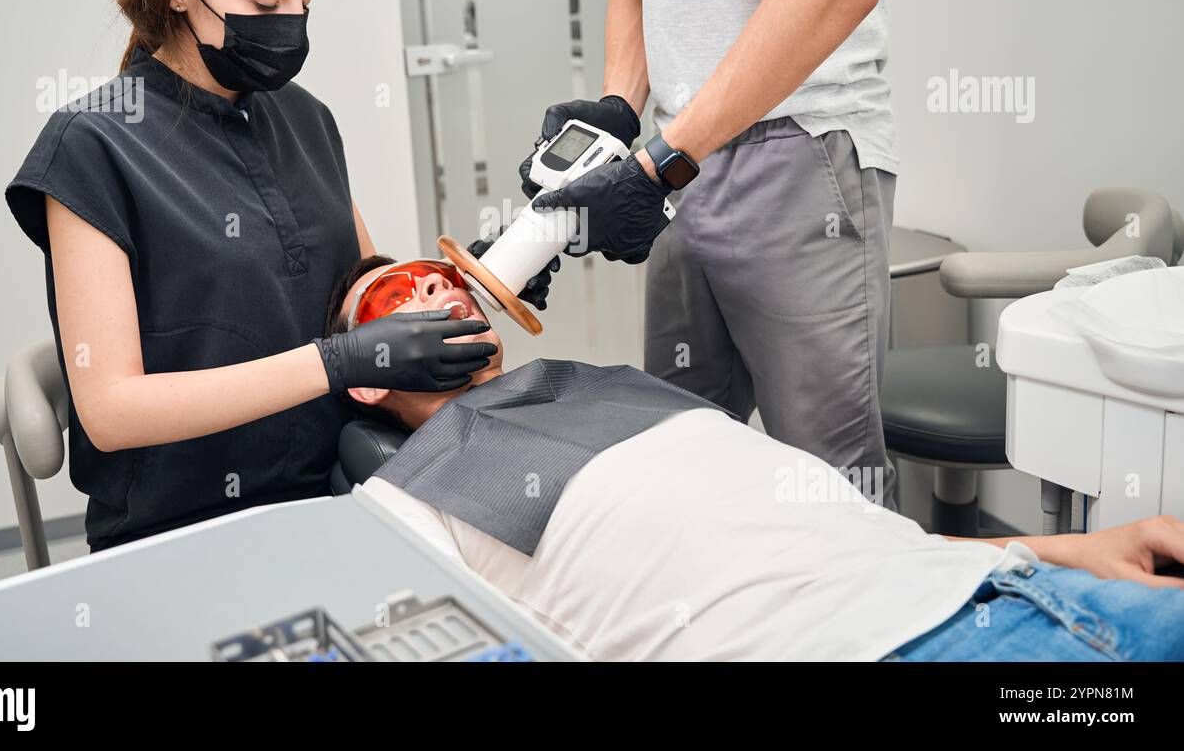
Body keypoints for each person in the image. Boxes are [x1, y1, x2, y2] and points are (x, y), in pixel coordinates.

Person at [4, 0, 552, 552]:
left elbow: (360, 296)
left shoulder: (306, 119)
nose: (291, 22)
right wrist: (338, 362)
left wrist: (477, 278)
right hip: (187, 525)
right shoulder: (93, 146)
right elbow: (111, 411)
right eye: (267, 2)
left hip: (352, 482)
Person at [324, 254, 1184, 662]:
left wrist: (1071, 549)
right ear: (365, 380)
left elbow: (841, 538)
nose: (434, 291)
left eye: (437, 276)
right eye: (396, 300)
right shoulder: (410, 495)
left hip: (1019, 592)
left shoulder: (611, 384)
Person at [523, 0, 900, 507]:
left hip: (797, 138)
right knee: (683, 443)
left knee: (826, 481)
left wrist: (665, 159)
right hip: (679, 148)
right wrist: (615, 110)